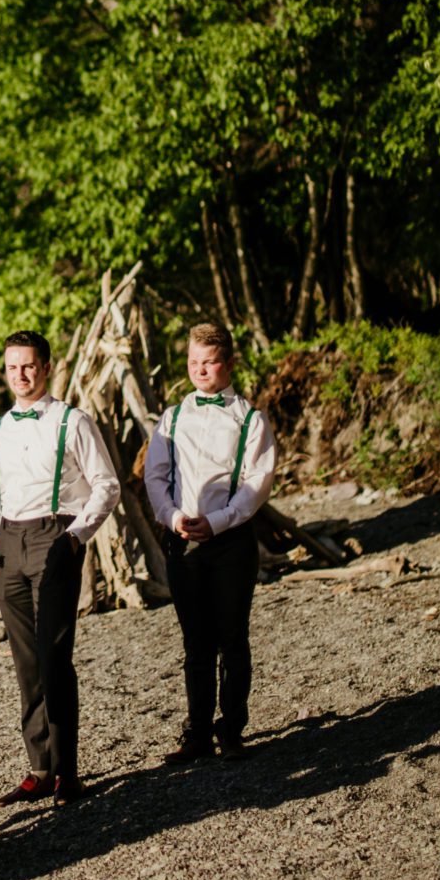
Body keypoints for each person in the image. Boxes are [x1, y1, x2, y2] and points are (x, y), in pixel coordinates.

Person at [0, 331, 120, 808]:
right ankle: (40, 767)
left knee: (54, 659)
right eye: (12, 366)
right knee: (26, 662)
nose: (20, 374)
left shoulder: (71, 421)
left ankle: (69, 774)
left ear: (47, 367)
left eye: (29, 365)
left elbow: (107, 485)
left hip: (55, 536)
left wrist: (74, 536)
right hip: (8, 544)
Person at [143, 322, 276, 762]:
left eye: (210, 362)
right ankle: (196, 732)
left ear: (230, 363)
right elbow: (155, 476)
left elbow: (257, 483)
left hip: (231, 539)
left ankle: (232, 728)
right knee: (195, 641)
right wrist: (174, 517)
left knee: (232, 637)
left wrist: (218, 521)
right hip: (183, 541)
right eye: (194, 362)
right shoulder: (173, 416)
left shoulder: (250, 419)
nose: (200, 370)